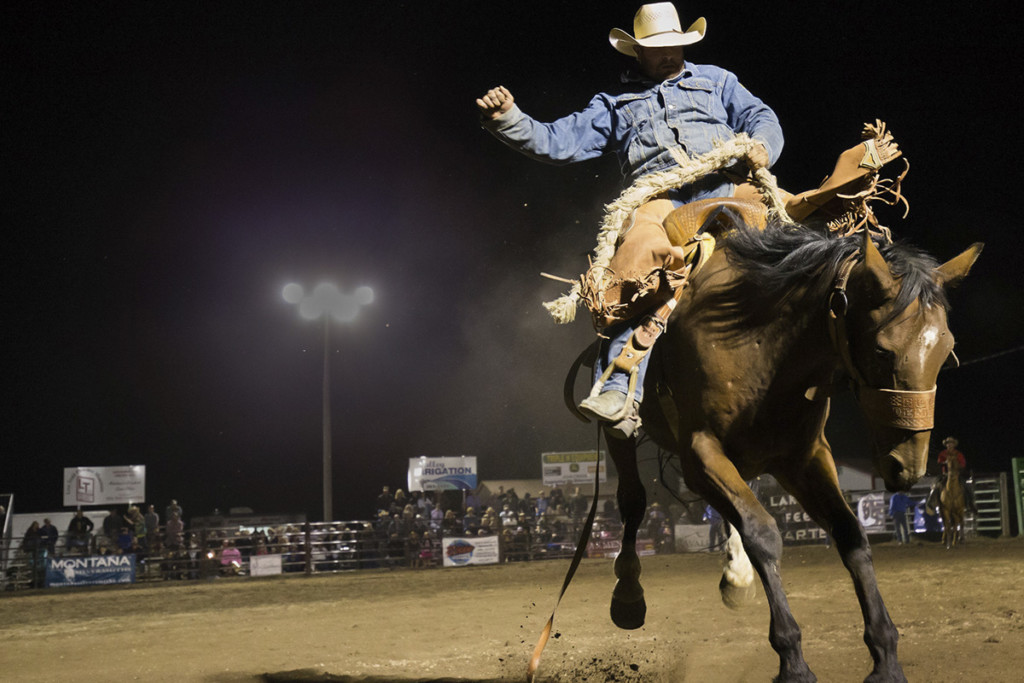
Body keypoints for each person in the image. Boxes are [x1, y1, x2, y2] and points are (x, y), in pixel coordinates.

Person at [477, 2, 783, 436]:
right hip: (661, 200)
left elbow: (761, 117)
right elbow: (559, 142)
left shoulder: (718, 80)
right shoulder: (614, 103)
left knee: (804, 224)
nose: (668, 55)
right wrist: (508, 119)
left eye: (674, 46)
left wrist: (763, 145)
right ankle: (618, 389)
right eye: (657, 49)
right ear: (637, 52)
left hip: (728, 184)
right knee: (637, 262)